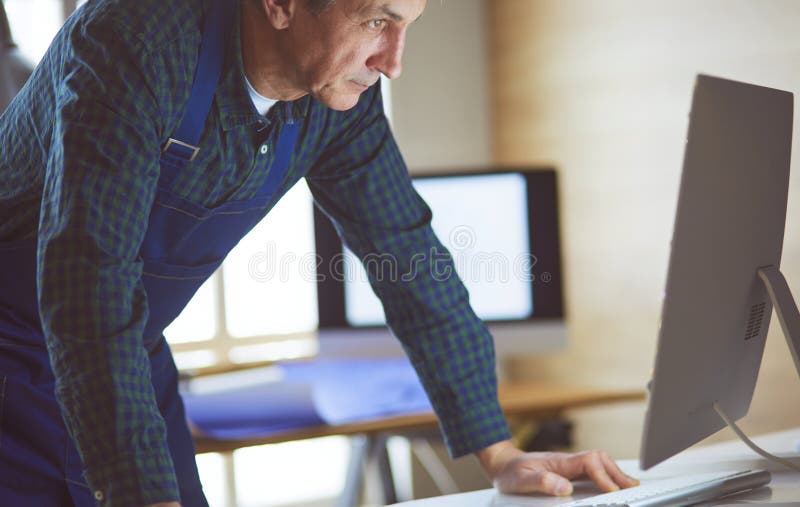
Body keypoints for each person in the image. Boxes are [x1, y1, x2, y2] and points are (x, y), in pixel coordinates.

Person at [0, 0, 640, 505]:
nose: (392, 60)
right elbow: (89, 286)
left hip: (126, 349)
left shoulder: (339, 101)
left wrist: (501, 455)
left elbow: (407, 255)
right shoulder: (135, 42)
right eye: (376, 20)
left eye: (406, 23)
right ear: (280, 3)